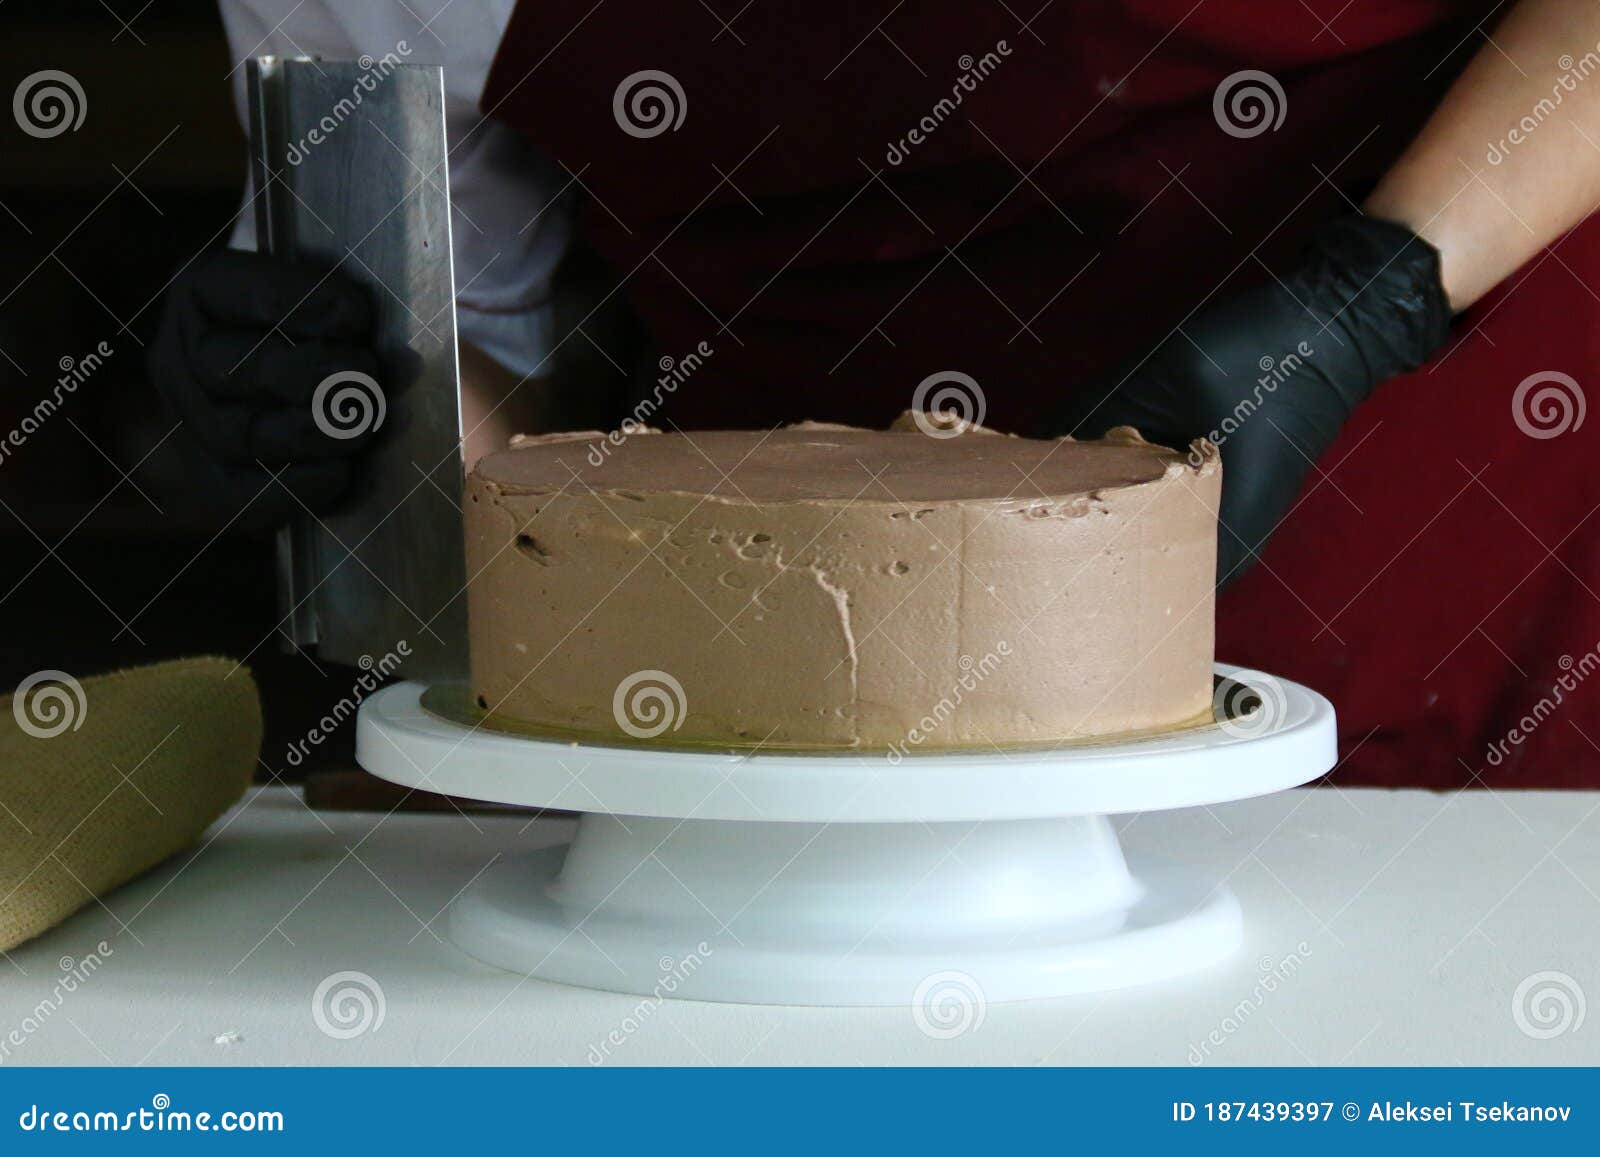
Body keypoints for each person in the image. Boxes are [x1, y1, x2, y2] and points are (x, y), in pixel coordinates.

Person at [151, 0, 1600, 786]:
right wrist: (335, 389)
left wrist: (1375, 298)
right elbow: (494, 406)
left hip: (1476, 533)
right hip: (791, 720)